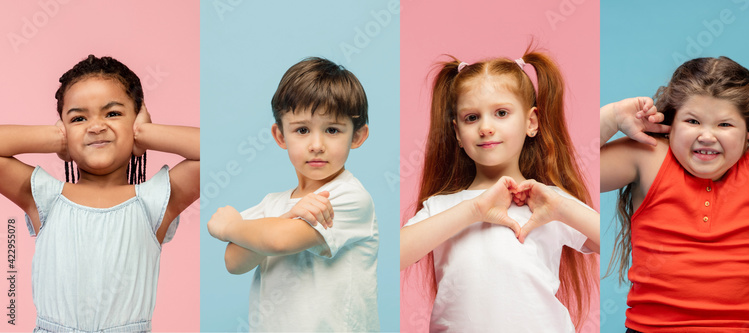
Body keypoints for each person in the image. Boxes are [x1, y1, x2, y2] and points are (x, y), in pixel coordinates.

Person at [400, 49, 599, 332]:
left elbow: (618, 245)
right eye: (471, 118)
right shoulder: (443, 207)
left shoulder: (548, 203)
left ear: (531, 122)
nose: (486, 127)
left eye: (501, 113)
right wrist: (474, 210)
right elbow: (393, 256)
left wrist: (562, 207)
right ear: (457, 133)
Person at [0, 55, 200, 332]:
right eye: (78, 118)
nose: (96, 127)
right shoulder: (44, 197)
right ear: (62, 128)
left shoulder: (154, 201)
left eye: (113, 113)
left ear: (137, 122)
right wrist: (55, 139)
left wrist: (147, 134)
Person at [600, 56, 749, 331]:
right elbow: (571, 168)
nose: (707, 136)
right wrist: (611, 117)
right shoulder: (649, 156)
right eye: (693, 121)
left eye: (725, 125)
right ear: (671, 124)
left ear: (748, 132)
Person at [206, 57, 379, 332]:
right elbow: (234, 261)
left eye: (332, 130)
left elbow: (278, 240)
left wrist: (230, 226)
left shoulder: (348, 197)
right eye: (302, 130)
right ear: (281, 136)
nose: (317, 145)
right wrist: (287, 215)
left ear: (357, 136)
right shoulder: (273, 203)